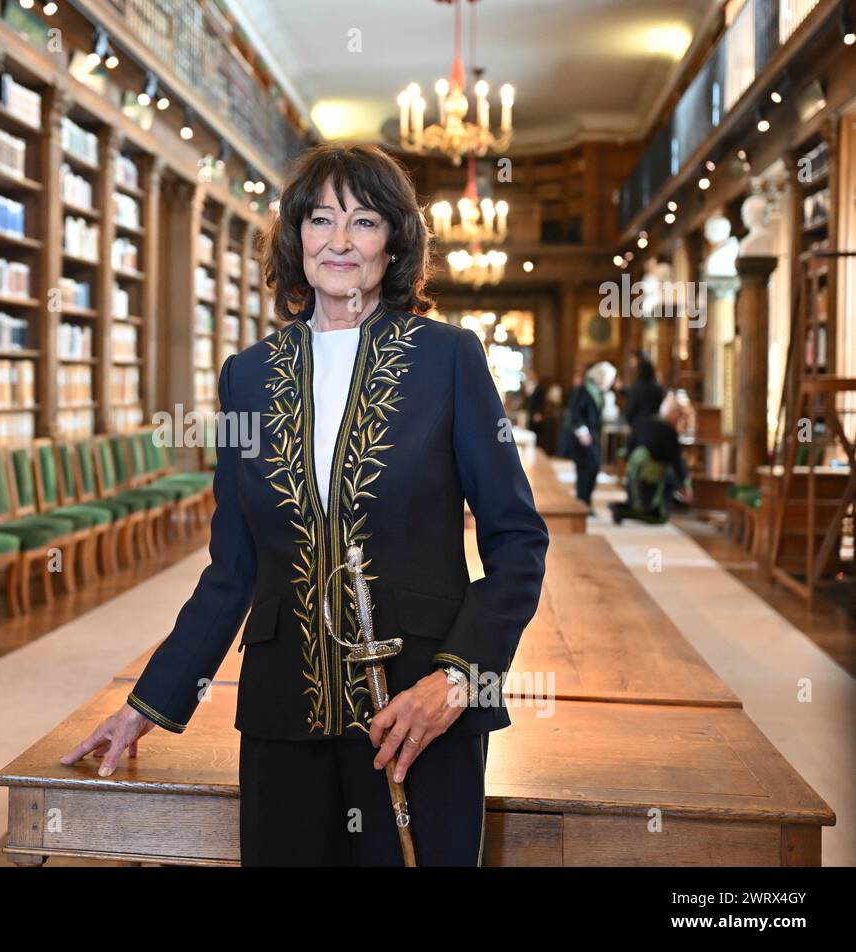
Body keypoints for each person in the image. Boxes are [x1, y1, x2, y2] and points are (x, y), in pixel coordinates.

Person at [63, 143, 549, 866]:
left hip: (416, 712)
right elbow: (233, 570)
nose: (341, 241)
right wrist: (149, 702)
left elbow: (518, 542)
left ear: (395, 241)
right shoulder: (247, 377)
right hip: (281, 711)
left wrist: (458, 679)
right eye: (321, 219)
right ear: (296, 239)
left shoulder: (449, 358)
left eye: (365, 220)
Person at [610, 391, 690, 524]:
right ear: (674, 414)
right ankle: (626, 511)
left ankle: (624, 509)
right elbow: (676, 460)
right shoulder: (668, 431)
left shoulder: (642, 423)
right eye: (679, 415)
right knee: (659, 517)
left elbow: (629, 448)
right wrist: (685, 483)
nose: (680, 419)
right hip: (651, 481)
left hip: (632, 477)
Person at [560, 360, 616, 510]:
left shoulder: (598, 392)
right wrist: (583, 432)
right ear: (602, 378)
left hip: (592, 436)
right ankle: (582, 503)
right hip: (581, 438)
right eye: (609, 380)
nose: (611, 383)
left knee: (593, 467)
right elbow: (574, 413)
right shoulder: (583, 390)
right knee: (585, 470)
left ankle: (585, 501)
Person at [624, 351, 663, 425]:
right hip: (654, 427)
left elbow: (629, 412)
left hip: (640, 427)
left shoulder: (637, 388)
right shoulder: (657, 388)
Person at [523, 369, 547, 450]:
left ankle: (537, 448)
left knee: (536, 432)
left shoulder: (540, 387)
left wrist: (539, 413)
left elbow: (541, 401)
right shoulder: (528, 386)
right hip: (530, 412)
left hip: (536, 413)